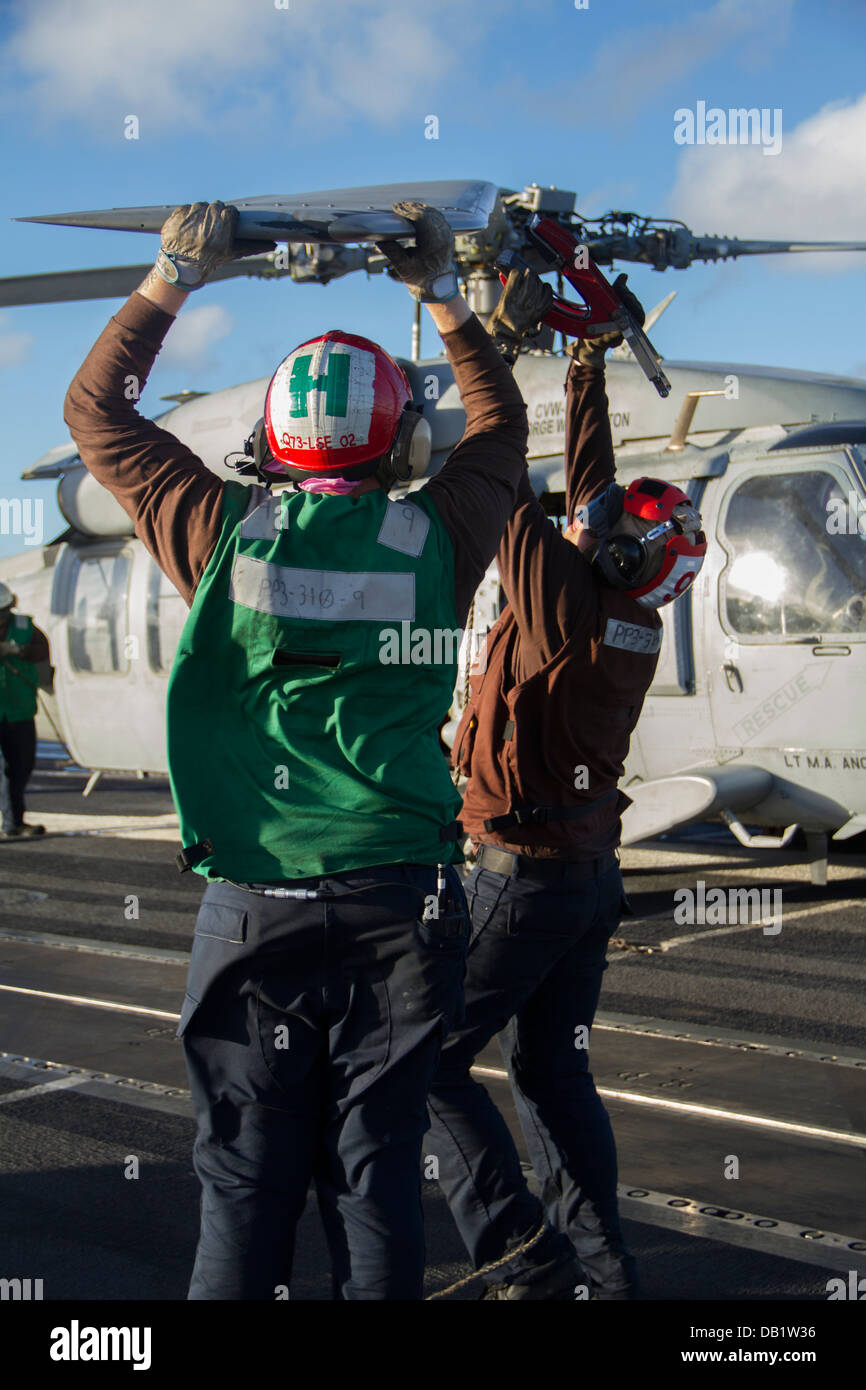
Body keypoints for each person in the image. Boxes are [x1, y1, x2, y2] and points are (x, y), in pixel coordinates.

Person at [63, 198, 533, 1300]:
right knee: (376, 1173)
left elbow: (95, 412)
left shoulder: (221, 529)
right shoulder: (439, 534)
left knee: (241, 1179)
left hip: (256, 905)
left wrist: (174, 277)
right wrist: (443, 296)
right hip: (401, 902)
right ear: (405, 447)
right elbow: (502, 427)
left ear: (272, 443)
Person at [426, 272, 707, 1298]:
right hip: (586, 874)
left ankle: (520, 1257)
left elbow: (499, 471)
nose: (589, 521)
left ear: (620, 552)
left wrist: (492, 350)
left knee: (426, 1062)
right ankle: (604, 1271)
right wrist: (585, 362)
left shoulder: (556, 603)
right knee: (552, 1071)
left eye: (606, 526)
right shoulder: (627, 613)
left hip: (520, 877)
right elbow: (593, 489)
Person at [0, 582, 49, 839]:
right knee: (6, 769)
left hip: (19, 709)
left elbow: (42, 650)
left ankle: (14, 823)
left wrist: (18, 650)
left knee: (20, 765)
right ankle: (12, 822)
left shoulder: (24, 627)